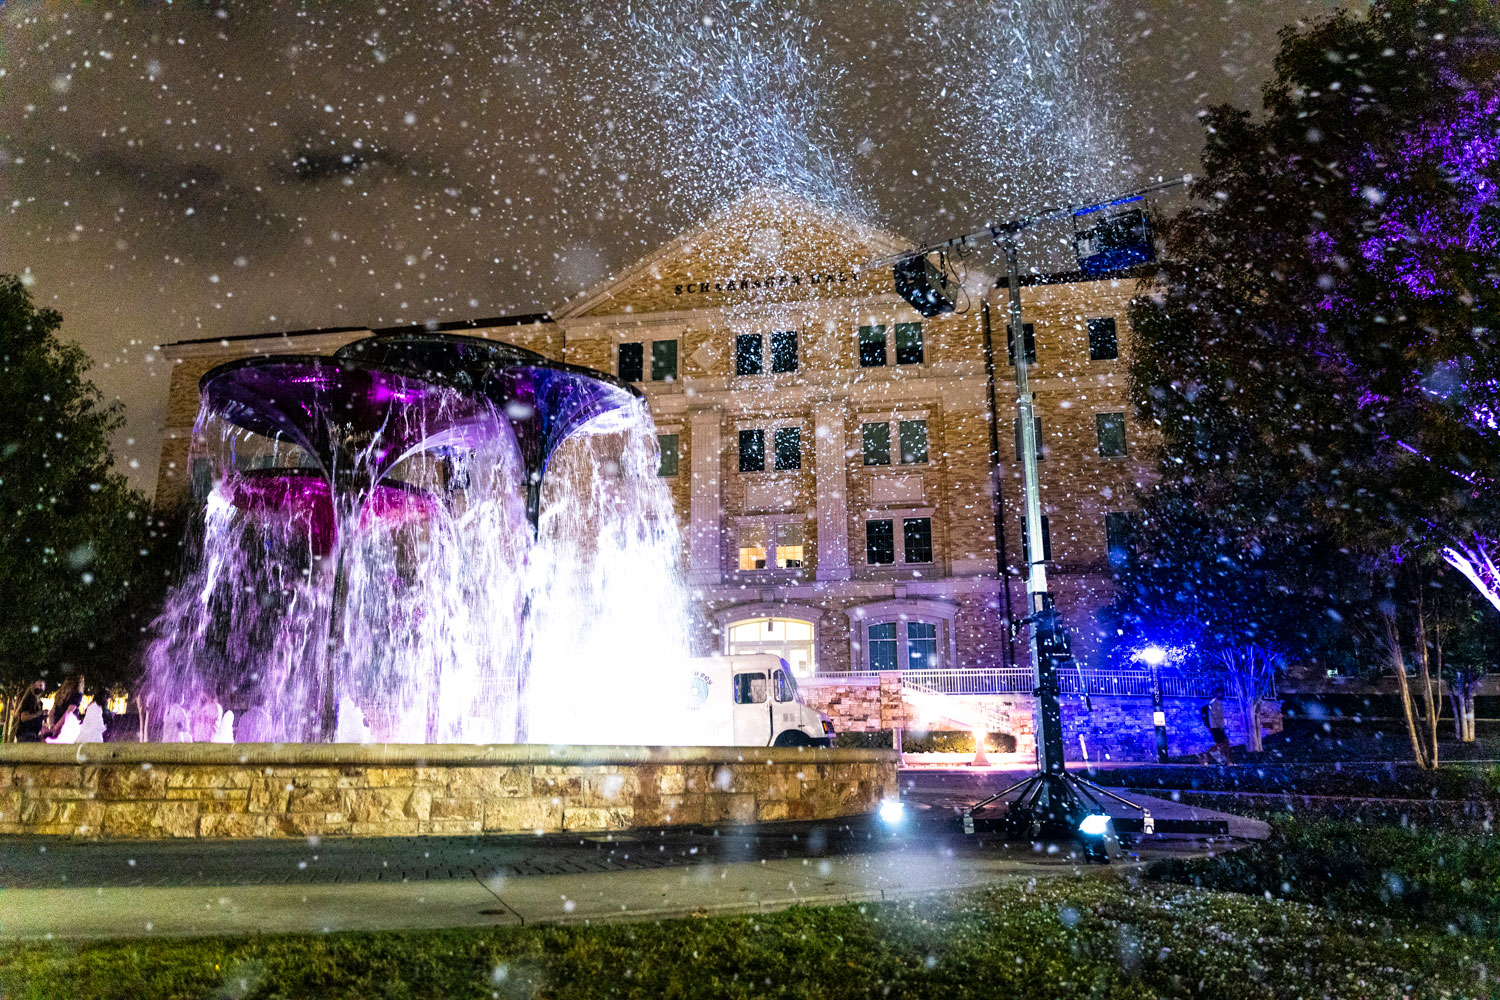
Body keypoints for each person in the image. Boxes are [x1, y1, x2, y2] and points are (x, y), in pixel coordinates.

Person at [41, 674, 85, 741]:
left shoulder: (59, 693)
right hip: (68, 727)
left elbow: (51, 713)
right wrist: (56, 728)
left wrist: (52, 726)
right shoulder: (77, 694)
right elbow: (68, 713)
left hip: (57, 724)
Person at [1199, 688, 1234, 765]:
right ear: (1216, 694)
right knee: (1223, 744)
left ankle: (1226, 760)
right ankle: (1206, 757)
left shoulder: (1213, 703)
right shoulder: (1215, 703)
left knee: (1223, 744)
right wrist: (1220, 727)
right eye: (1220, 693)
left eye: (1222, 693)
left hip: (1216, 727)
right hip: (1216, 728)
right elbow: (1217, 717)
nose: (1222, 695)